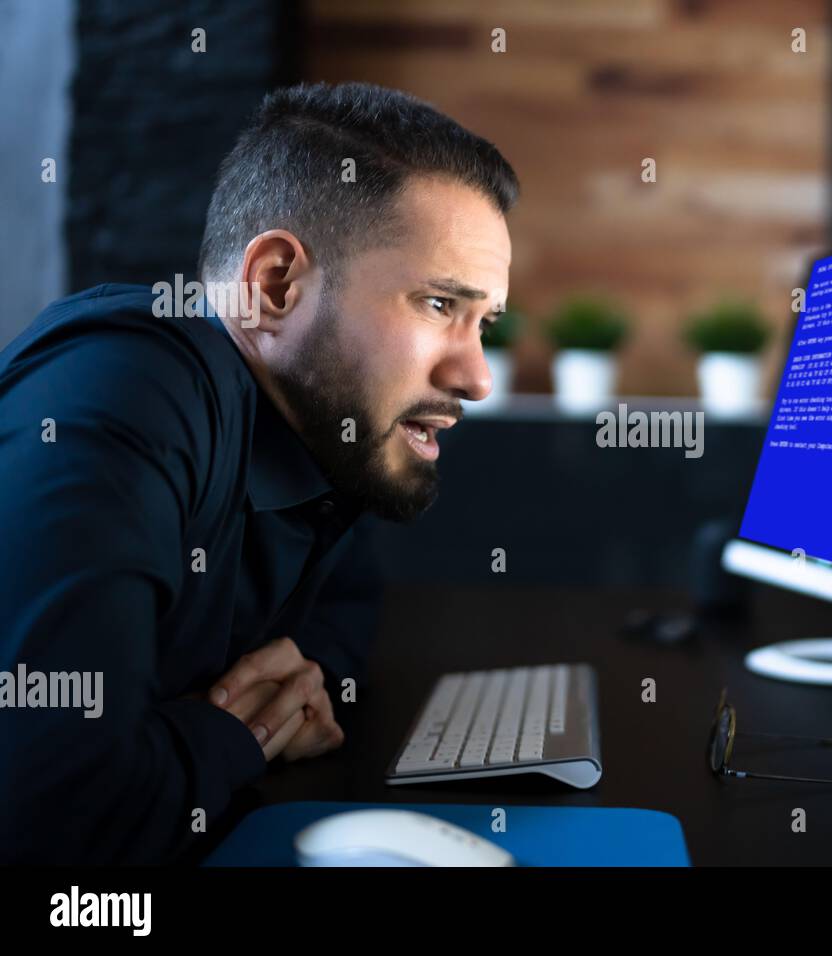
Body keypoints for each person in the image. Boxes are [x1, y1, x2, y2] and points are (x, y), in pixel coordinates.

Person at [0, 81, 517, 864]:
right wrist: (238, 734)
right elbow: (55, 822)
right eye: (440, 304)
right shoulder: (122, 390)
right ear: (275, 284)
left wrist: (228, 717)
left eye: (485, 323)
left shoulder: (320, 440)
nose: (478, 377)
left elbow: (336, 637)